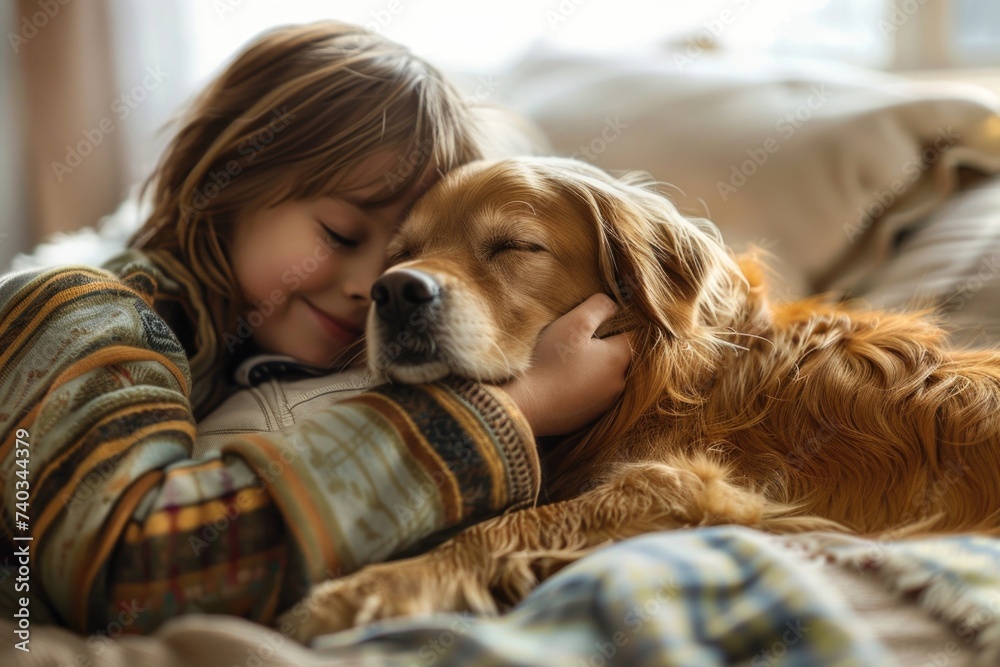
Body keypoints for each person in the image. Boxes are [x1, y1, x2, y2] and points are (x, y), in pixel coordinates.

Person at [0, 21, 630, 636]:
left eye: (399, 264)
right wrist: (514, 409)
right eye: (340, 235)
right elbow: (126, 578)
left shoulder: (277, 363)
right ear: (225, 185)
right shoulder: (80, 311)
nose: (369, 288)